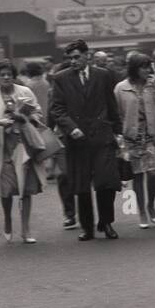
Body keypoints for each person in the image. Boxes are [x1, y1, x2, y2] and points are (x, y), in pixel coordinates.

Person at [50, 40, 122, 241]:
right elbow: (57, 108)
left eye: (76, 57)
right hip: (77, 141)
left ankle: (106, 222)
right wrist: (71, 128)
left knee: (105, 182)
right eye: (70, 58)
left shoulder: (103, 75)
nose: (73, 61)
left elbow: (111, 104)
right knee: (81, 185)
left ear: (86, 56)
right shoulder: (61, 78)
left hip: (102, 137)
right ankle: (87, 227)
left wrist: (118, 131)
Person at [0, 61, 49, 244]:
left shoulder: (24, 92)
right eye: (2, 75)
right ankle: (7, 219)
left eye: (9, 74)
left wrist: (23, 117)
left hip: (24, 147)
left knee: (27, 190)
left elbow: (38, 115)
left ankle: (25, 229)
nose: (6, 78)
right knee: (6, 190)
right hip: (3, 149)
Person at [114, 52, 155, 228]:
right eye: (143, 67)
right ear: (135, 69)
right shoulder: (121, 88)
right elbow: (117, 112)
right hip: (132, 136)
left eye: (148, 67)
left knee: (153, 172)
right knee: (137, 175)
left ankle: (151, 204)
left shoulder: (153, 85)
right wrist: (121, 133)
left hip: (151, 134)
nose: (147, 71)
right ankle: (142, 212)